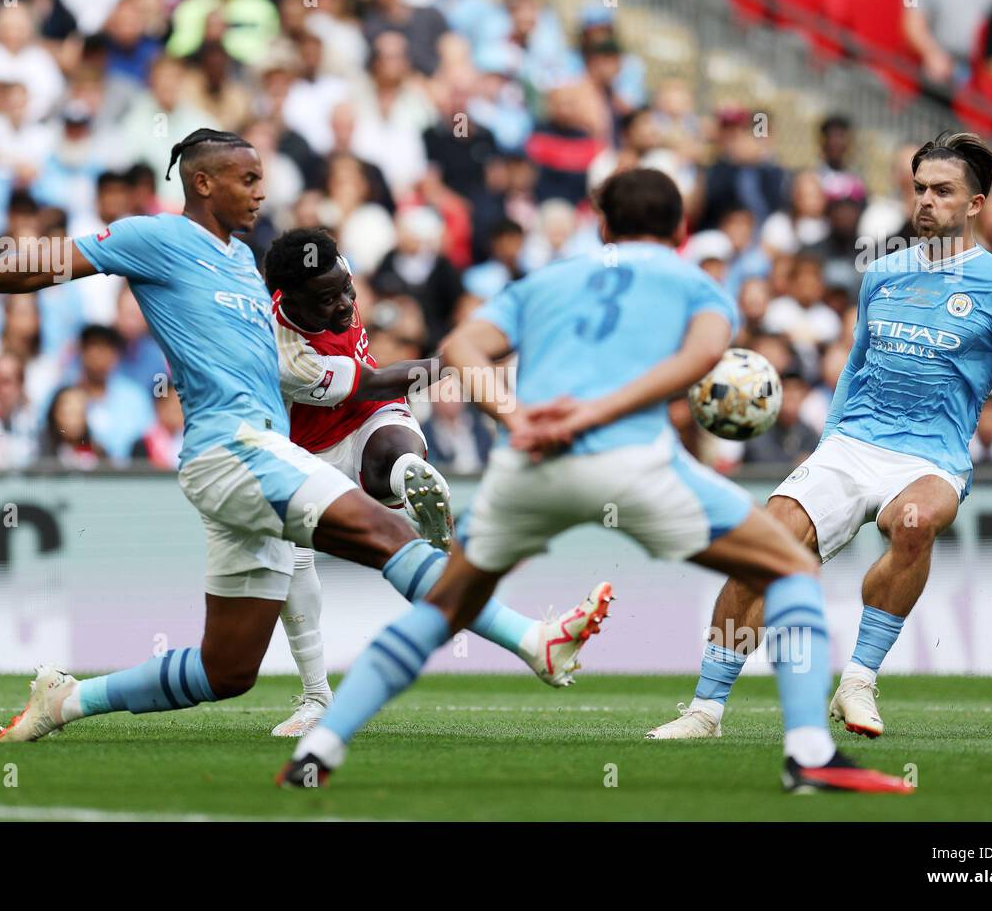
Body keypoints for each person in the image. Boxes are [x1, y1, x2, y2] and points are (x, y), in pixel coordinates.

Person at [0, 127, 601, 744]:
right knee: (382, 533)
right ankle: (534, 640)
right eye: (246, 178)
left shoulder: (246, 262)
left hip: (256, 458)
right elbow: (39, 266)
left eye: (261, 178)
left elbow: (321, 364)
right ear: (203, 183)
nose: (260, 191)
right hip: (231, 449)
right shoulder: (156, 238)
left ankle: (67, 700)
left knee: (228, 671)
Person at [280, 168, 911, 794]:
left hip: (530, 465)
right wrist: (597, 413)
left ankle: (323, 745)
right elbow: (697, 360)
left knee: (447, 604)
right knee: (790, 569)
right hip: (636, 465)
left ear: (602, 226)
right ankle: (807, 753)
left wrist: (517, 417)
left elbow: (463, 348)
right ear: (683, 228)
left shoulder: (548, 280)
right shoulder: (699, 286)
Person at [662, 133, 992, 742]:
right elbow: (854, 365)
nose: (926, 201)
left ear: (976, 205)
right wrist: (828, 445)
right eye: (920, 189)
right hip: (851, 445)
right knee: (764, 545)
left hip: (931, 457)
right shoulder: (881, 273)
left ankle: (857, 679)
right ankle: (704, 711)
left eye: (943, 191)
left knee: (912, 523)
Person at [263, 227, 594, 736]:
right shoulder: (288, 353)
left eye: (346, 287)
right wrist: (460, 364)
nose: (346, 303)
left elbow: (373, 394)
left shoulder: (326, 267)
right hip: (309, 453)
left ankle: (407, 480)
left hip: (371, 416)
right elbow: (374, 379)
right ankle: (315, 697)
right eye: (328, 300)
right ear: (292, 300)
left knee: (392, 454)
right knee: (293, 566)